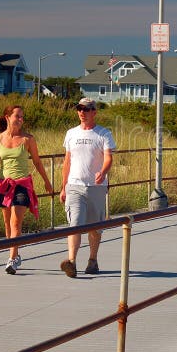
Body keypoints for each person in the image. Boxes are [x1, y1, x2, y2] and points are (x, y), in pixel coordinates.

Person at [0, 105, 53, 275]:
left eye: (22, 117)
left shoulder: (28, 139)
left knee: (16, 222)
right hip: (5, 185)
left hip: (22, 184)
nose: (20, 119)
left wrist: (47, 182)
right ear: (7, 117)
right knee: (7, 224)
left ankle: (12, 259)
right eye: (17, 116)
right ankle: (15, 254)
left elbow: (37, 162)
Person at [59, 98, 116, 278]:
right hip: (74, 186)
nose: (82, 112)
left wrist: (103, 171)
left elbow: (108, 158)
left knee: (94, 228)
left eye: (87, 109)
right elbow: (67, 161)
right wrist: (63, 187)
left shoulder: (103, 134)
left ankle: (92, 260)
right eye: (79, 109)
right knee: (74, 224)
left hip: (96, 187)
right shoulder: (71, 134)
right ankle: (72, 262)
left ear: (94, 112)